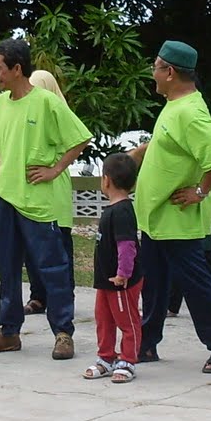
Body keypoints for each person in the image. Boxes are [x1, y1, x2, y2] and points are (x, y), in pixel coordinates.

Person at [0, 39, 92, 359]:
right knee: (8, 268)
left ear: (16, 69)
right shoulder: (0, 104)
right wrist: (1, 171)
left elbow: (80, 138)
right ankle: (9, 332)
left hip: (40, 202)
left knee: (52, 267)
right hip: (6, 199)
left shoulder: (47, 102)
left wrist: (54, 170)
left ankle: (63, 332)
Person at [132, 40, 211, 373]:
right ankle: (147, 344)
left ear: (170, 72)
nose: (153, 72)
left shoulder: (189, 112)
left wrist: (201, 192)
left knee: (197, 285)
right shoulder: (175, 106)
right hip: (157, 219)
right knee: (155, 286)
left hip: (177, 219)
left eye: (156, 66)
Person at [86, 152, 143, 384]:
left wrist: (123, 273)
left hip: (121, 282)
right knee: (104, 319)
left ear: (106, 180)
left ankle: (128, 359)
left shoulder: (122, 212)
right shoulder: (111, 209)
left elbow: (127, 245)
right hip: (105, 280)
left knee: (127, 320)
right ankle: (106, 357)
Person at [21, 68, 73, 315]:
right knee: (32, 247)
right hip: (32, 190)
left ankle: (62, 296)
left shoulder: (58, 112)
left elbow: (75, 143)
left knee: (59, 245)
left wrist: (53, 168)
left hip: (55, 186)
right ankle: (38, 296)